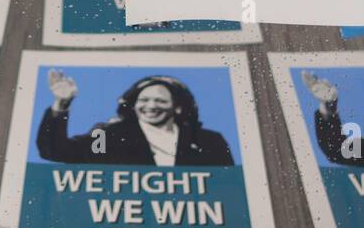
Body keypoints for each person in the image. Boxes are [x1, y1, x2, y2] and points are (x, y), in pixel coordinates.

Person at [36, 70, 233, 165]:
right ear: (134, 104)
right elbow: (55, 151)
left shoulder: (210, 141)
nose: (151, 106)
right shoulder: (105, 135)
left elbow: (228, 190)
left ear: (178, 107)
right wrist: (62, 104)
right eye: (144, 100)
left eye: (160, 101)